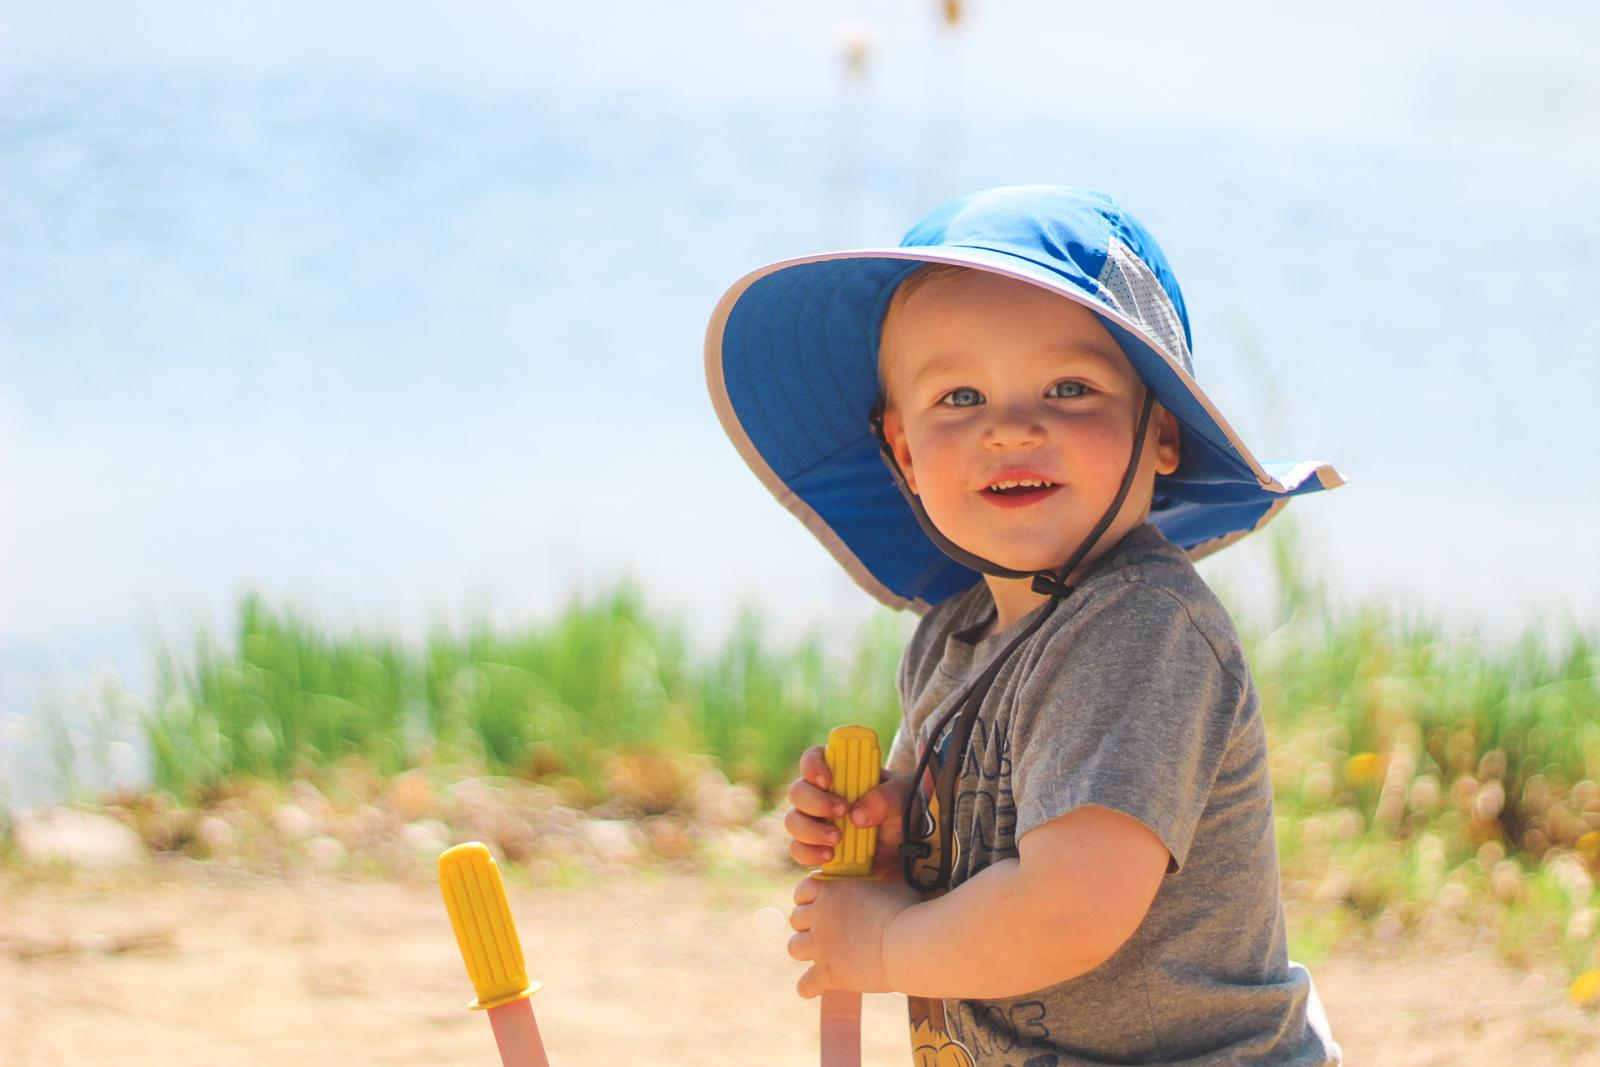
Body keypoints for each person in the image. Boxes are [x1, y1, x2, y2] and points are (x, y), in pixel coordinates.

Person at [704, 186, 1344, 1065]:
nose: (1011, 429)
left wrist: (885, 945)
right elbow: (974, 830)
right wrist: (895, 825)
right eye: (960, 396)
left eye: (1068, 388)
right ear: (903, 452)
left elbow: (1068, 910)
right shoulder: (954, 634)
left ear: (1159, 434)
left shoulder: (1137, 631)